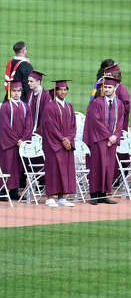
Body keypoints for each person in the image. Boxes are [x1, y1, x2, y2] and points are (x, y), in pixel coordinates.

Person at [82, 75, 125, 204]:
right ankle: (94, 195)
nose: (106, 89)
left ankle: (104, 194)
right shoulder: (97, 103)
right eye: (105, 87)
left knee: (108, 167)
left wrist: (115, 136)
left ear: (115, 88)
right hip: (99, 140)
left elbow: (121, 122)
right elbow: (97, 122)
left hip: (112, 142)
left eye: (109, 87)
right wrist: (108, 136)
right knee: (97, 166)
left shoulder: (120, 104)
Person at [38, 80, 78, 208]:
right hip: (53, 145)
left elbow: (73, 126)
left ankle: (62, 197)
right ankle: (50, 197)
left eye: (65, 89)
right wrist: (62, 139)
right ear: (55, 91)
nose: (63, 92)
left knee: (65, 171)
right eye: (60, 89)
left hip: (66, 145)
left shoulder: (69, 106)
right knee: (53, 170)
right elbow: (50, 127)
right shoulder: (50, 107)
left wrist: (69, 139)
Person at [0, 82, 32, 200]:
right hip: (8, 143)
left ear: (21, 92)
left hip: (20, 144)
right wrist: (16, 140)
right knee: (7, 166)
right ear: (10, 92)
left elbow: (29, 125)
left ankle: (14, 191)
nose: (16, 93)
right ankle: (3, 191)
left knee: (18, 167)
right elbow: (5, 126)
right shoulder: (5, 107)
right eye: (14, 91)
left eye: (19, 91)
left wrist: (23, 140)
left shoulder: (25, 107)